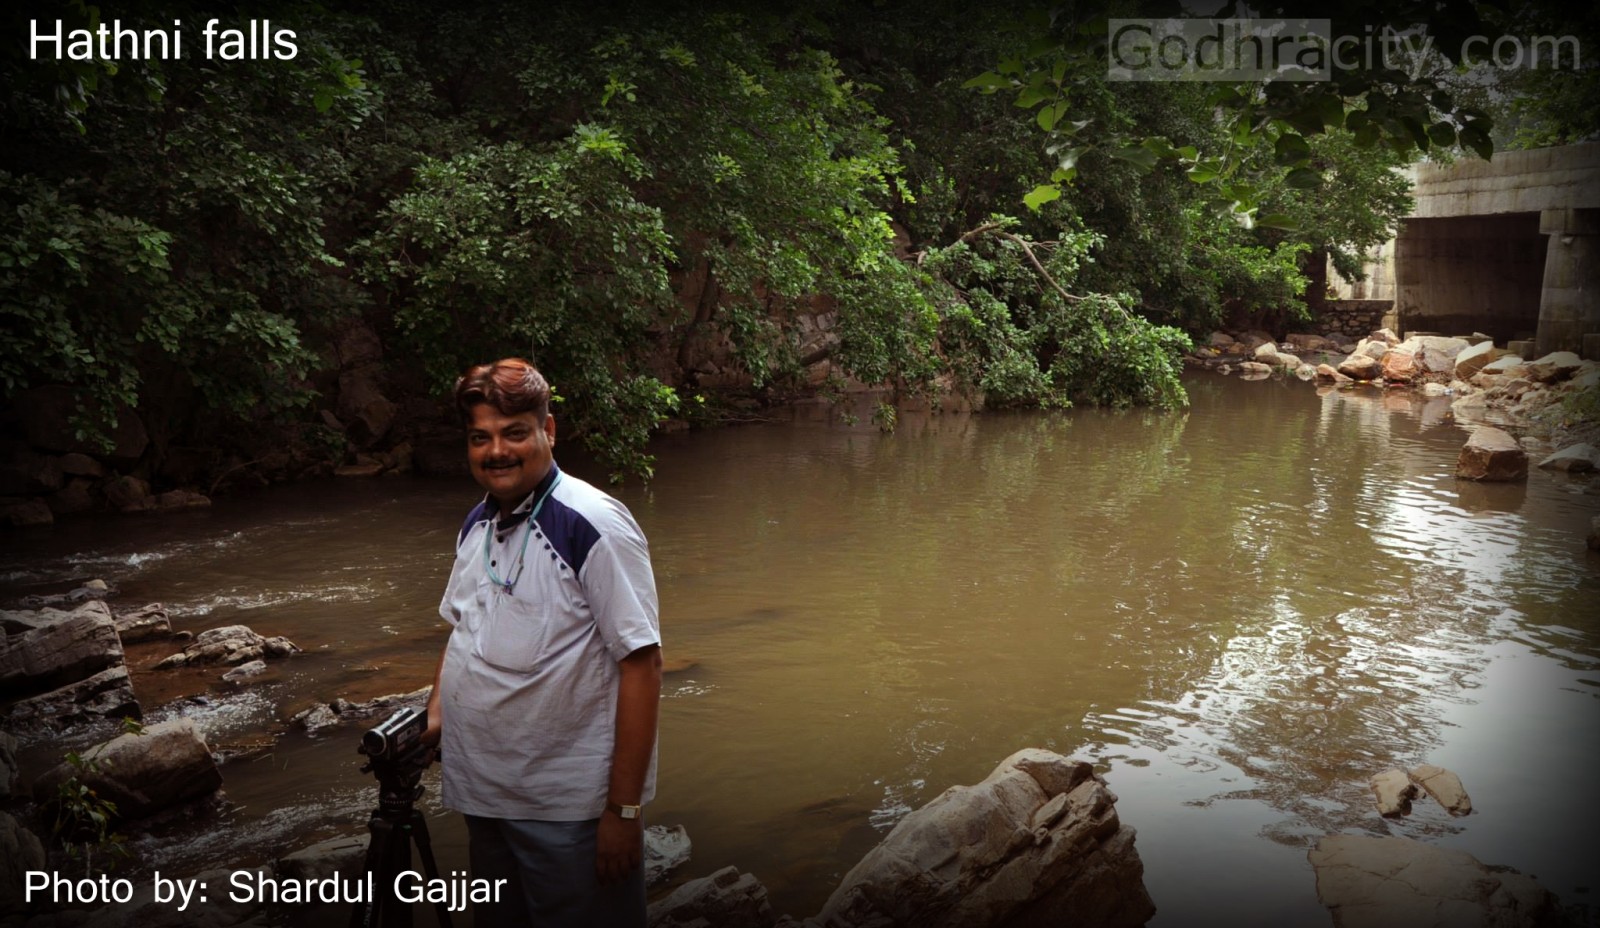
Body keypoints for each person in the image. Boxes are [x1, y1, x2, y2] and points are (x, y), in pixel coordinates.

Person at [423, 357, 662, 928]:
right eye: (480, 438)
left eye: (514, 434)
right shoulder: (478, 522)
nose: (496, 451)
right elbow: (463, 626)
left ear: (547, 431)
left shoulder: (591, 523)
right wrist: (435, 713)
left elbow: (643, 665)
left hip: (566, 810)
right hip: (485, 794)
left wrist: (623, 812)